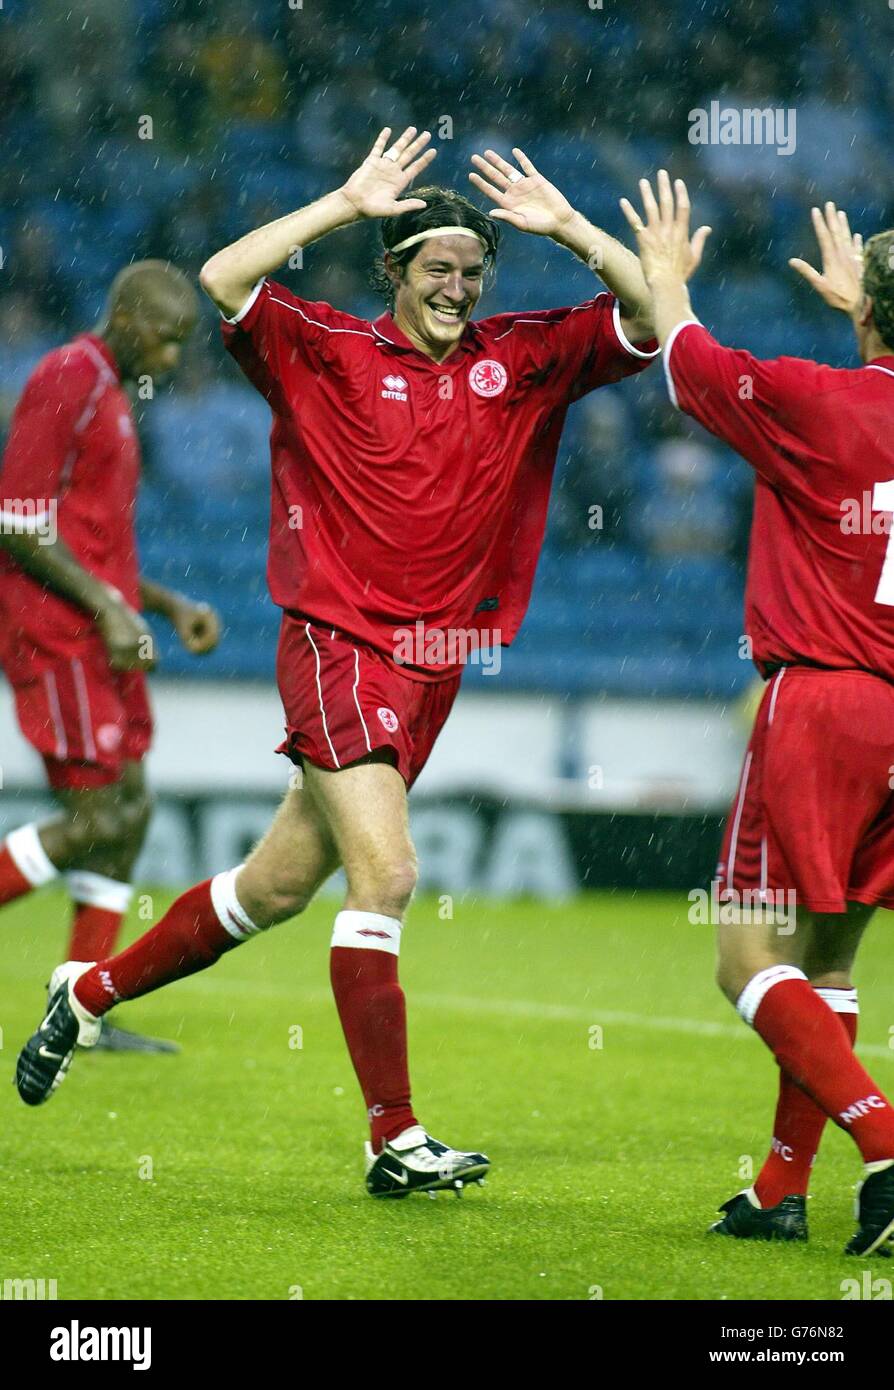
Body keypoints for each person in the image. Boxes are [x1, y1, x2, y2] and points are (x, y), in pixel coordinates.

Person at [16, 126, 662, 1197]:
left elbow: (653, 315)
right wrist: (345, 201)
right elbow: (222, 276)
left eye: (470, 269)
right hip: (336, 641)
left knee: (268, 889)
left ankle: (84, 994)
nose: (454, 287)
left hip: (436, 662)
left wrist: (575, 230)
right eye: (434, 268)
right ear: (393, 270)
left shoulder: (525, 358)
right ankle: (394, 1137)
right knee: (392, 874)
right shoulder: (326, 346)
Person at [621, 172, 894, 1256]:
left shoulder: (817, 398)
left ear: (865, 306)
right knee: (829, 963)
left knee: (744, 961)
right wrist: (871, 315)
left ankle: (883, 1141)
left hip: (819, 703)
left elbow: (689, 365)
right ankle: (782, 1189)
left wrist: (666, 280)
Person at [0, 261, 221, 1052]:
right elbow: (17, 523)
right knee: (98, 818)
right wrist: (109, 610)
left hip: (98, 629)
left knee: (132, 810)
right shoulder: (68, 377)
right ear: (125, 317)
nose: (172, 359)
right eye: (166, 341)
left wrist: (164, 605)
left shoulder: (113, 394)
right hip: (53, 632)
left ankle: (77, 1007)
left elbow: (94, 541)